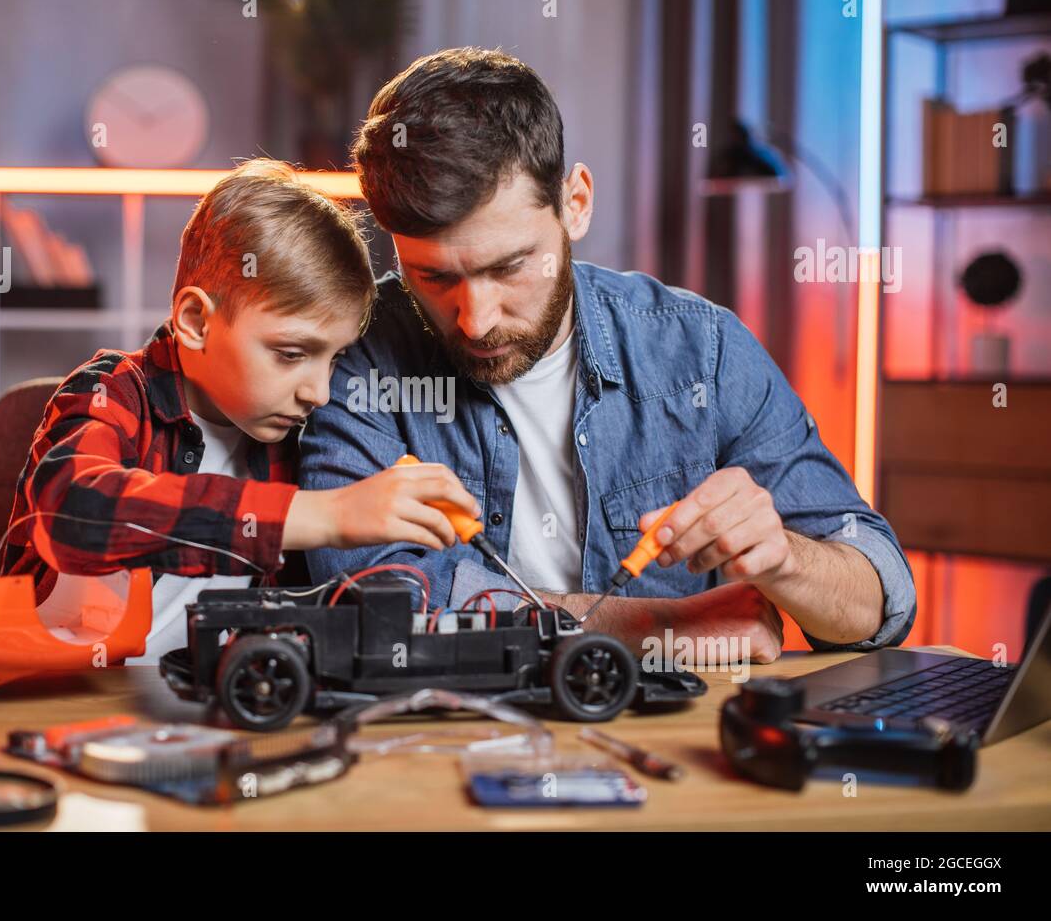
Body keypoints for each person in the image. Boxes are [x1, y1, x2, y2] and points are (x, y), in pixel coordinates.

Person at [300, 49, 916, 662]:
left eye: (510, 266)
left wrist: (783, 557)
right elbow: (365, 602)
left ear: (577, 203)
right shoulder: (358, 355)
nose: (476, 319)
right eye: (433, 277)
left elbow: (879, 606)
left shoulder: (702, 350)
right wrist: (657, 628)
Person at [2, 158, 480, 661]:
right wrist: (327, 514)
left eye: (334, 358)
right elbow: (72, 510)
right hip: (60, 696)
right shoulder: (112, 392)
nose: (318, 392)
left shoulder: (296, 438)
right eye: (291, 354)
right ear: (195, 322)